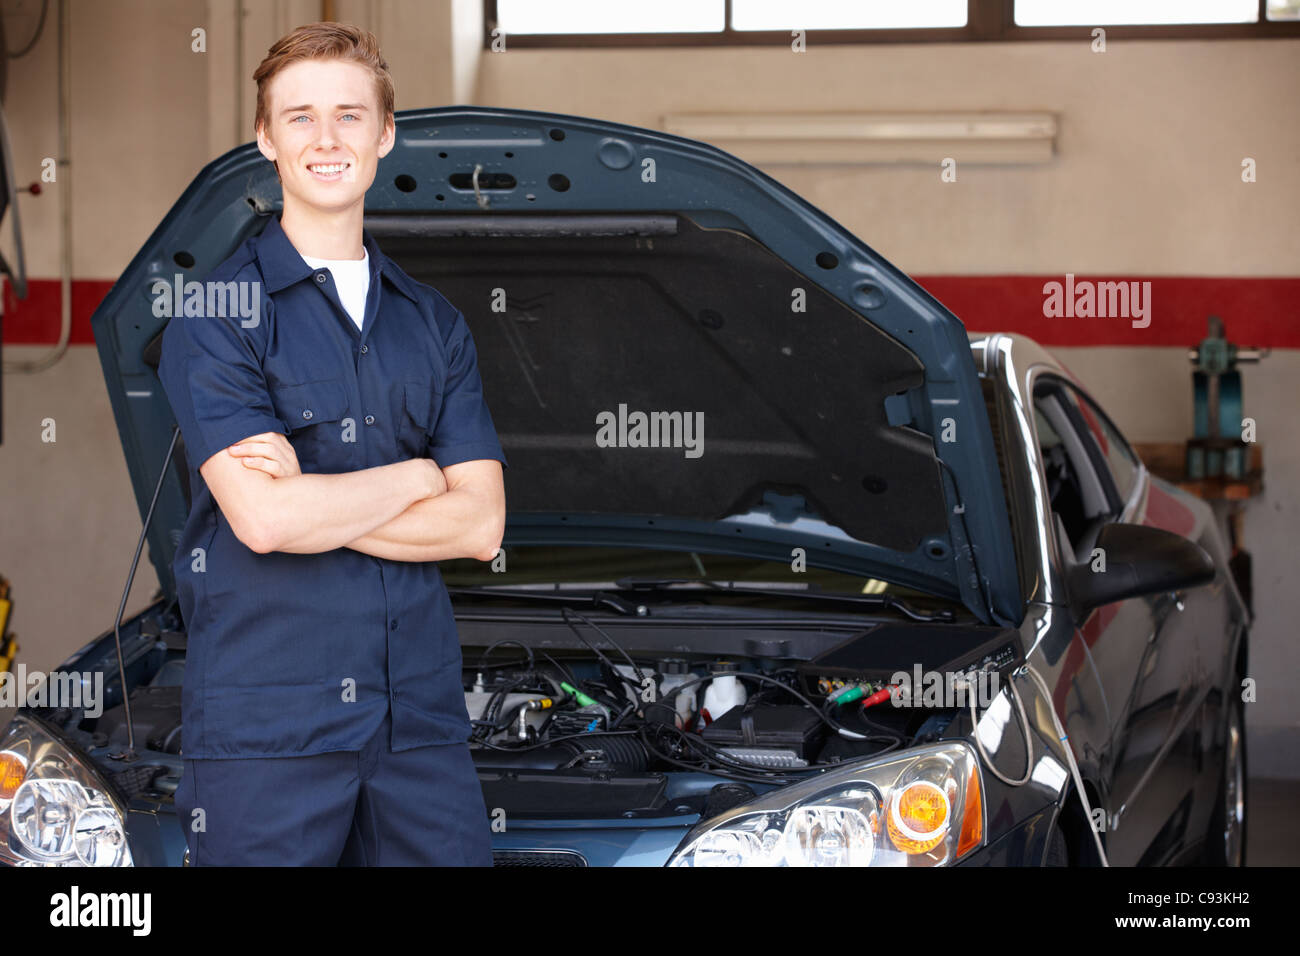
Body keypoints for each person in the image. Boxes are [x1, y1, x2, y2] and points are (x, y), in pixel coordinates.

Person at [157, 21, 506, 865]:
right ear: (265, 137)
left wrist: (314, 499)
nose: (326, 139)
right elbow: (265, 523)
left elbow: (480, 528)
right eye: (300, 116)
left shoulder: (434, 325)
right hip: (266, 736)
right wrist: (422, 475)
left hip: (417, 729)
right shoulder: (215, 318)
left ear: (384, 134)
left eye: (350, 116)